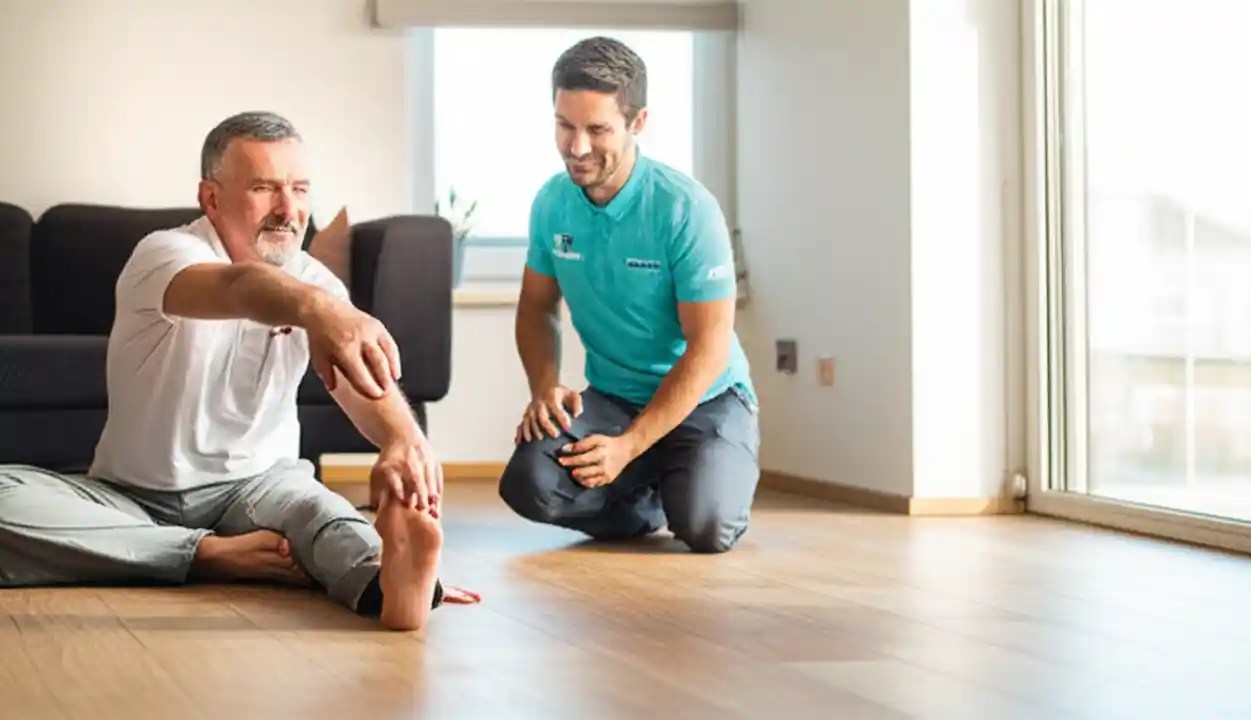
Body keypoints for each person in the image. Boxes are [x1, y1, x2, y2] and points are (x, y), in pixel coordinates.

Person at [0, 111, 478, 630]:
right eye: (264, 188)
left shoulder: (318, 286)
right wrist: (320, 310)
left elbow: (361, 381)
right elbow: (239, 287)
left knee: (320, 514)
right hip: (129, 496)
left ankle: (389, 579)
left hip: (260, 488)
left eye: (299, 189)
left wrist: (403, 438)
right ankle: (204, 553)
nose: (289, 210)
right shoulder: (165, 254)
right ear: (211, 198)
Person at [498, 37, 761, 553]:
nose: (577, 147)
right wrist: (544, 388)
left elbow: (708, 348)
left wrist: (630, 446)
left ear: (637, 122)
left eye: (597, 130)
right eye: (564, 125)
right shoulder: (552, 203)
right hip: (614, 398)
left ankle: (684, 475)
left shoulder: (685, 209)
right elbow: (536, 308)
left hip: (707, 399)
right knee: (529, 483)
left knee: (706, 526)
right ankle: (648, 499)